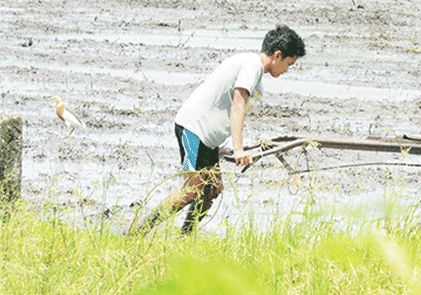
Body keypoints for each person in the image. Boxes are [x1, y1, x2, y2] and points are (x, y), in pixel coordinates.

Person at [130, 24, 306, 235]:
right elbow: (237, 105)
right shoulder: (253, 66)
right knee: (192, 190)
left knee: (211, 190)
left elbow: (222, 105)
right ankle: (135, 233)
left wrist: (224, 147)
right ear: (278, 56)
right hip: (192, 131)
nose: (287, 70)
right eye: (289, 63)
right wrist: (239, 149)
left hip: (206, 137)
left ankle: (185, 237)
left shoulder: (251, 67)